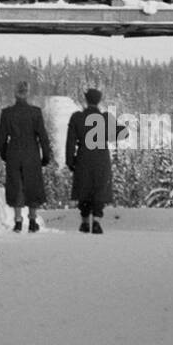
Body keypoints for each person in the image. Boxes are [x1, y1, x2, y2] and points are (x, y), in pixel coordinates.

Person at [65, 88, 125, 235]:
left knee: (84, 189)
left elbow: (70, 142)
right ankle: (97, 221)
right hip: (101, 157)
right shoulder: (105, 117)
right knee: (99, 189)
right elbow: (124, 132)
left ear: (86, 100)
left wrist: (70, 161)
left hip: (84, 157)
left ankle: (85, 222)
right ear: (99, 101)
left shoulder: (77, 117)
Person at [0, 80, 51, 233]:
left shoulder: (7, 113)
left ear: (15, 93)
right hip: (32, 154)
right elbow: (43, 137)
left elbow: (1, 138)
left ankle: (18, 221)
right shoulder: (35, 112)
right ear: (27, 93)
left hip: (13, 153)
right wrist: (45, 156)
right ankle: (33, 221)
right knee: (32, 186)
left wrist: (4, 154)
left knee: (16, 186)